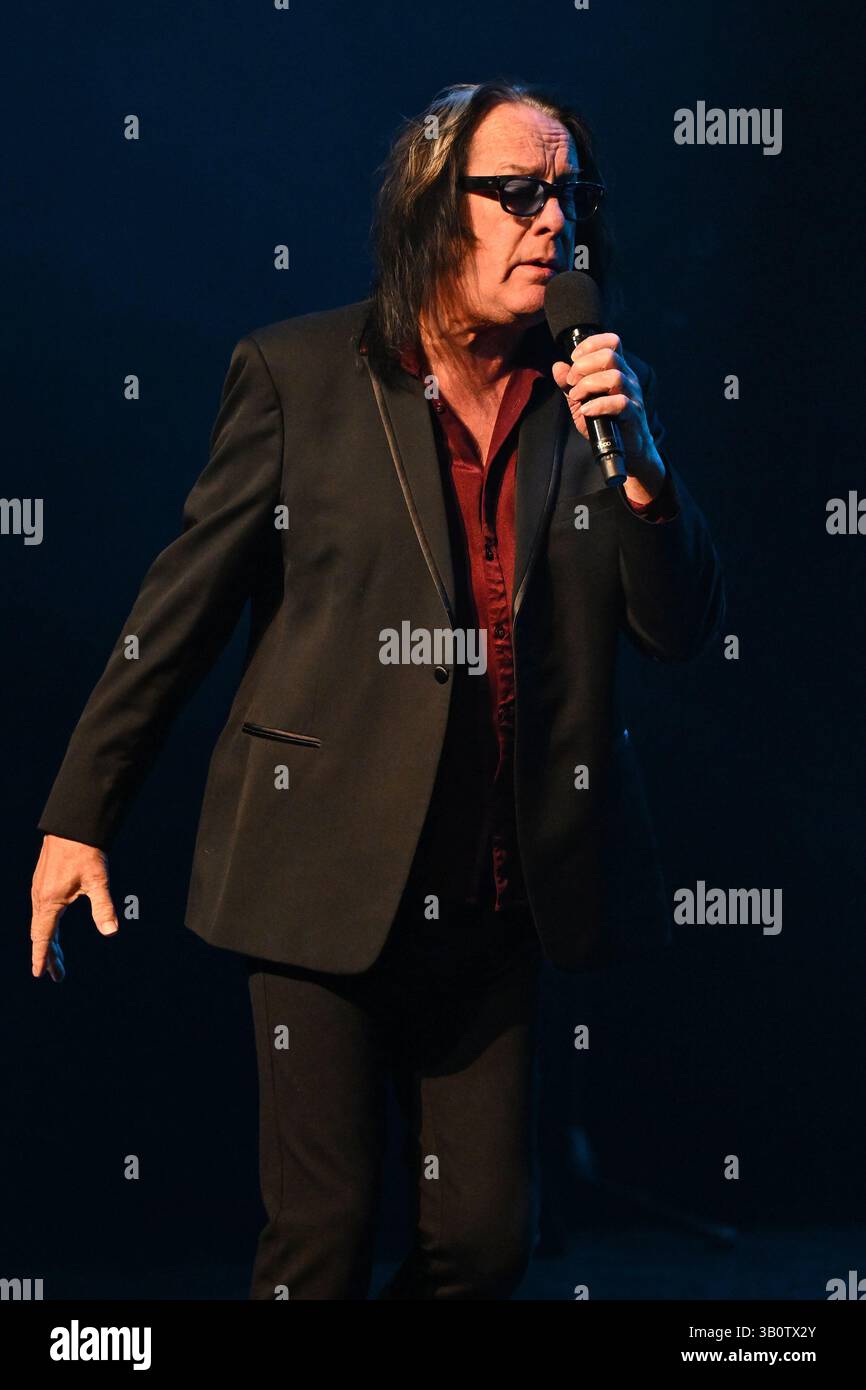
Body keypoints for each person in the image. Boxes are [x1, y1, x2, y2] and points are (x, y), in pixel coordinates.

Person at [30, 79, 725, 1299]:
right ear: (427, 209)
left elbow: (674, 630)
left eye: (566, 194)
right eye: (515, 193)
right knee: (323, 1239)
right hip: (321, 876)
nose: (549, 221)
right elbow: (176, 614)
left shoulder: (593, 399)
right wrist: (81, 810)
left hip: (500, 888)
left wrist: (646, 474)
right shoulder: (299, 375)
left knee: (482, 1245)